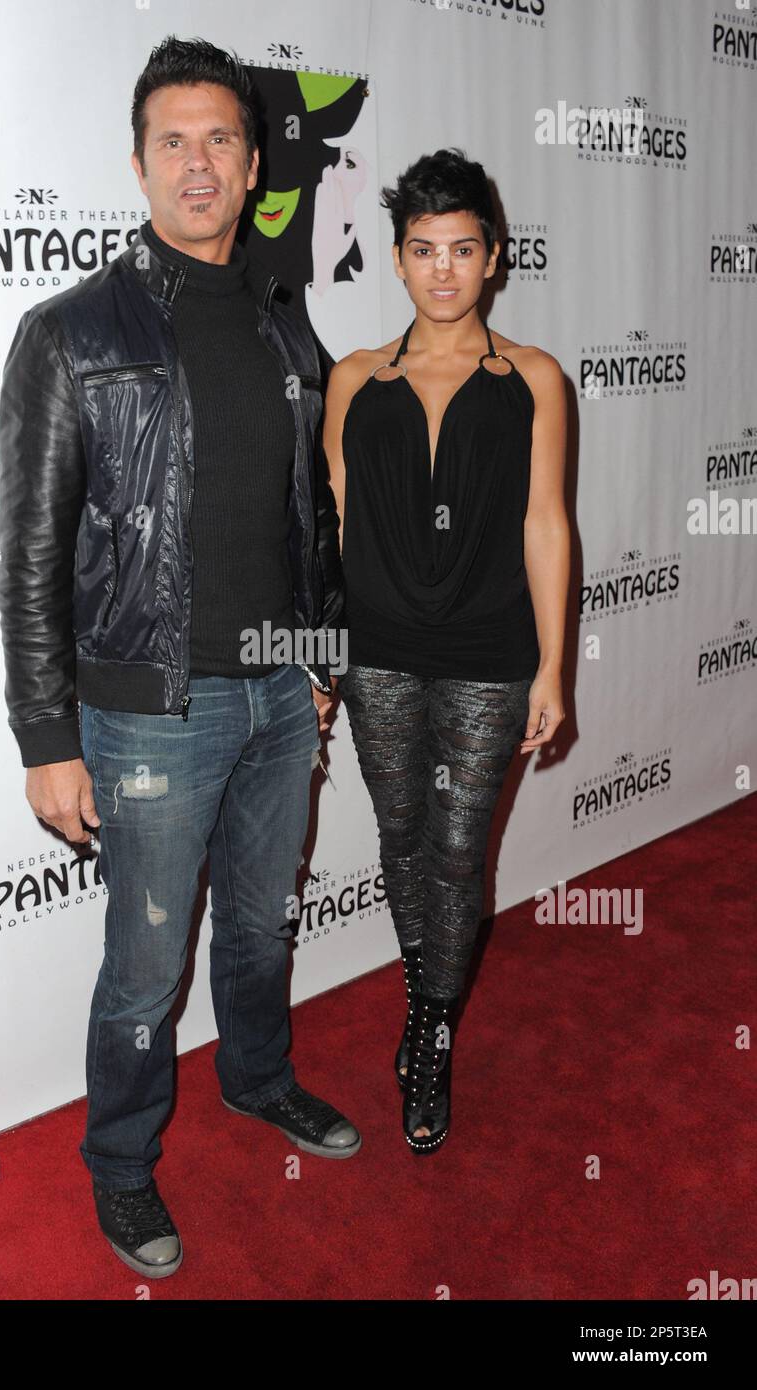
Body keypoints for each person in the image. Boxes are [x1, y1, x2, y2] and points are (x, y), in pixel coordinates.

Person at [0, 35, 357, 1281]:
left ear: (253, 165)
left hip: (278, 694)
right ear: (138, 164)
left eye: (219, 140)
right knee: (146, 968)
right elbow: (31, 554)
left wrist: (318, 659)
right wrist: (47, 738)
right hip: (151, 708)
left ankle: (256, 1076)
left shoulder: (281, 322)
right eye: (173, 143)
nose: (197, 164)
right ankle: (119, 1161)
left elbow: (307, 516)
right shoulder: (67, 333)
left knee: (260, 924)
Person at [322, 148, 568, 1154]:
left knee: (458, 849)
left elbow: (545, 522)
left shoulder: (533, 379)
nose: (443, 270)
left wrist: (552, 666)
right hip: (376, 651)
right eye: (423, 249)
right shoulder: (351, 379)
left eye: (462, 249)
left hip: (487, 653)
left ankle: (428, 1027)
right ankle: (429, 999)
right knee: (400, 838)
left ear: (494, 257)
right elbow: (333, 529)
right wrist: (320, 657)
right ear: (396, 259)